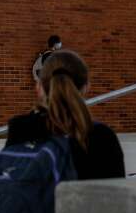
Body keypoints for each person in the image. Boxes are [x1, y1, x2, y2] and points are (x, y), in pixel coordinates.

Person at [7, 50, 125, 179]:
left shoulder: (20, 128)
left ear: (39, 87)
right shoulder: (102, 136)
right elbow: (117, 194)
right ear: (86, 87)